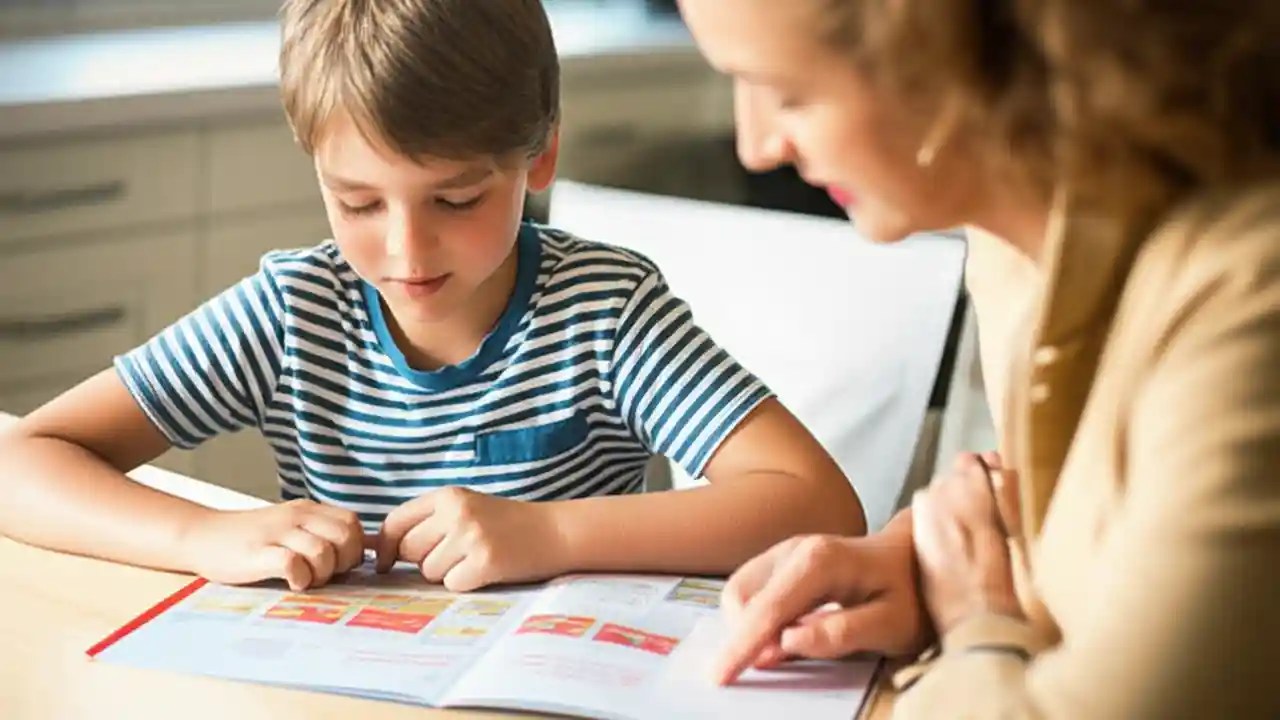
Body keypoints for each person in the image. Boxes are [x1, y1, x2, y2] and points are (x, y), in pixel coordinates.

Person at [0, 0, 865, 596]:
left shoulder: (604, 308)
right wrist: (198, 536)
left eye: (456, 200)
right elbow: (21, 461)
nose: (406, 250)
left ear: (538, 160)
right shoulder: (292, 312)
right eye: (359, 203)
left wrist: (552, 536)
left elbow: (817, 501)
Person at [676, 0, 1280, 716]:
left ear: (947, 63)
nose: (757, 145)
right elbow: (1095, 513)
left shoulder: (1247, 303)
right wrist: (920, 561)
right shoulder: (1009, 236)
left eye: (789, 94)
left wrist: (975, 622)